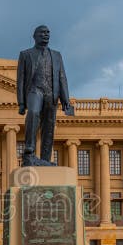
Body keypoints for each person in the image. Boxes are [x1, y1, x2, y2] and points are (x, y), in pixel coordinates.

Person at [16, 25, 73, 166]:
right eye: (42, 32)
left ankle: (45, 159)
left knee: (49, 126)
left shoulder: (56, 55)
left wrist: (65, 99)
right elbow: (21, 80)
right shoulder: (26, 54)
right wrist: (21, 103)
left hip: (51, 93)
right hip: (34, 90)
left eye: (47, 32)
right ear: (34, 36)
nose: (45, 35)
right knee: (33, 112)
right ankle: (29, 150)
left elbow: (62, 78)